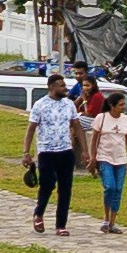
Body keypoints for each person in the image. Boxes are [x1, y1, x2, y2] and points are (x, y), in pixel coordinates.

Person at [25, 74, 79, 230]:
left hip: (66, 150)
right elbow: (31, 129)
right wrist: (26, 152)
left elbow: (77, 126)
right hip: (47, 151)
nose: (65, 88)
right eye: (61, 86)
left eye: (64, 85)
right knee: (47, 185)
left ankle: (61, 225)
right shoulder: (40, 105)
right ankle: (39, 213)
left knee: (65, 188)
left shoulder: (69, 105)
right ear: (51, 87)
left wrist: (85, 151)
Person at [92, 92, 127, 227]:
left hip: (121, 160)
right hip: (104, 157)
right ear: (112, 106)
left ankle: (112, 222)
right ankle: (106, 217)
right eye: (121, 105)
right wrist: (92, 157)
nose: (123, 107)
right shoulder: (101, 118)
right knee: (110, 187)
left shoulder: (125, 120)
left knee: (118, 190)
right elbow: (94, 140)